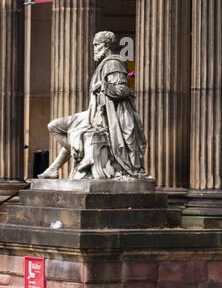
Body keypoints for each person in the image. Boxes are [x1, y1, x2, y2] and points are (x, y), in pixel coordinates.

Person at [38, 30, 147, 179]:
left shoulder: (113, 63)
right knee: (55, 126)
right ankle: (69, 160)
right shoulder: (105, 64)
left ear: (107, 46)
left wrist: (103, 85)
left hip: (106, 117)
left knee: (68, 129)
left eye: (97, 45)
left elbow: (123, 90)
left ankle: (61, 165)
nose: (94, 48)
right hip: (94, 113)